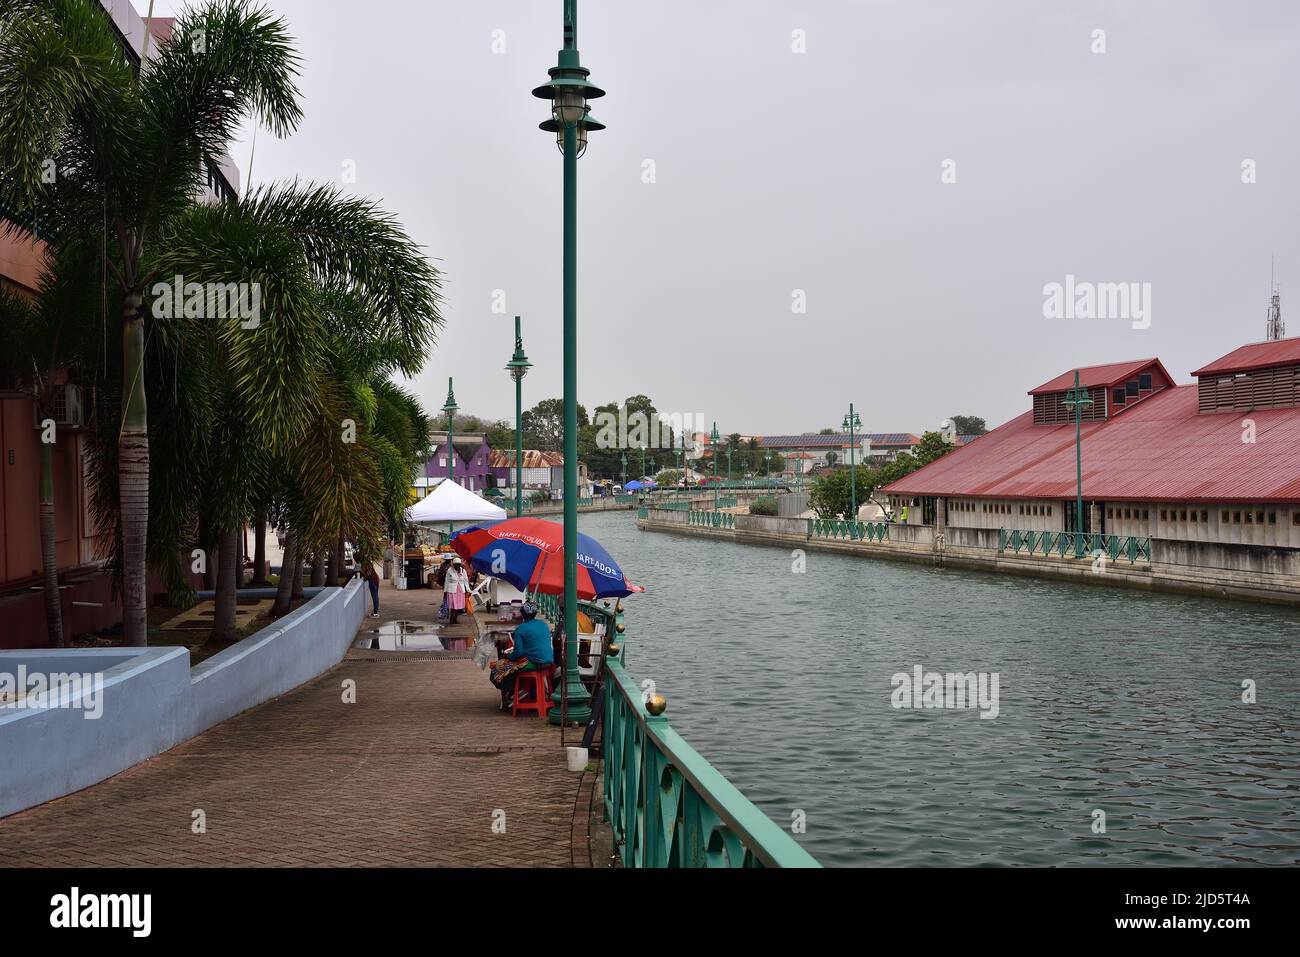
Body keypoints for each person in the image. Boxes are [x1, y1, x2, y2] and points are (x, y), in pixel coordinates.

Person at [490, 601, 555, 709]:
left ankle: (515, 693)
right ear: (535, 613)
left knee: (497, 669)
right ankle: (523, 691)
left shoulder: (521, 629)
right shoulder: (543, 624)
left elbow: (518, 653)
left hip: (535, 663)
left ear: (522, 614)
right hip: (549, 660)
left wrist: (508, 657)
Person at [444, 557, 469, 625]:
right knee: (452, 606)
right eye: (456, 564)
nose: (457, 566)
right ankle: (451, 619)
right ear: (453, 565)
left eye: (458, 564)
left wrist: (468, 590)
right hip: (452, 590)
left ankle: (455, 619)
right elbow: (446, 581)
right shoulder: (450, 570)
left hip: (460, 590)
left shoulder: (463, 571)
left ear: (460, 564)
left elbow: (466, 581)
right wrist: (445, 591)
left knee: (458, 606)